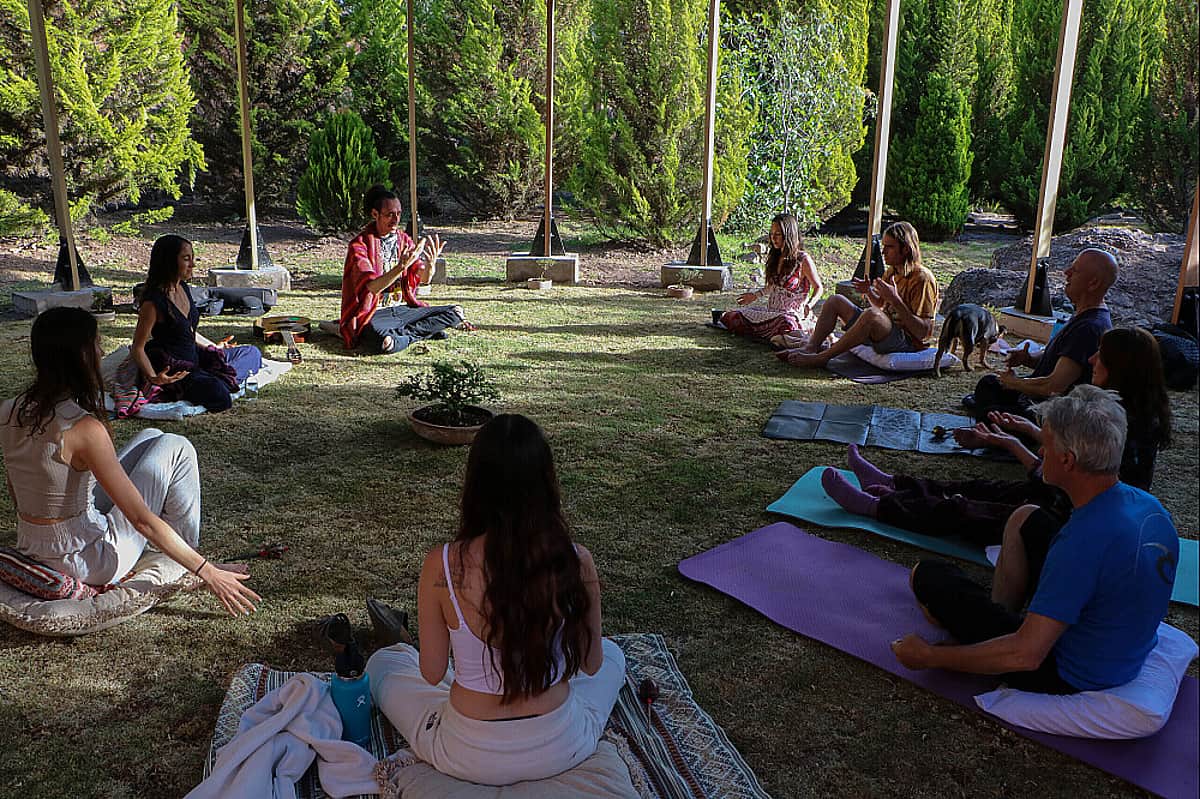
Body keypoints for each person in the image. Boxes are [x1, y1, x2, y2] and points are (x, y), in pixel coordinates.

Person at [364, 415, 625, 786]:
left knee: (384, 664)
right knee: (615, 654)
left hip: (467, 752)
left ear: (476, 484)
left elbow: (433, 673)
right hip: (562, 745)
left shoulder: (441, 564)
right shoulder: (575, 560)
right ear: (545, 482)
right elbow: (593, 663)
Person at [891, 386, 1178, 694]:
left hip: (1069, 673)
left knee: (928, 575)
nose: (1041, 452)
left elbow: (1026, 656)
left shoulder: (1083, 541)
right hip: (1121, 645)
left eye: (1047, 445)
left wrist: (930, 656)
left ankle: (991, 634)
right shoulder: (1149, 507)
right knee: (1025, 516)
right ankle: (999, 618)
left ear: (1067, 461)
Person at [1, 307, 259, 615]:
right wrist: (208, 571)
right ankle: (184, 561)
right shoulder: (83, 429)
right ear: (82, 356)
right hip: (88, 561)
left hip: (34, 544)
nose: (101, 351)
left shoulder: (7, 410)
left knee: (151, 435)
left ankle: (180, 556)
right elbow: (142, 521)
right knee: (176, 446)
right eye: (96, 344)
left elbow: (19, 488)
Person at [821, 327, 1173, 545]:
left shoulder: (1124, 428)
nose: (1092, 358)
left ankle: (876, 506)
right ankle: (894, 483)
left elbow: (1069, 479)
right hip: (1062, 499)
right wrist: (1022, 434)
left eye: (1102, 355)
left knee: (967, 510)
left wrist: (1010, 442)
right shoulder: (1126, 414)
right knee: (981, 489)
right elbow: (1069, 466)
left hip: (1069, 522)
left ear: (1121, 368)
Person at [964, 248, 1117, 420]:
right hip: (1032, 397)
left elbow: (1054, 386)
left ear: (1093, 283)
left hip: (1046, 411)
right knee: (989, 384)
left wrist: (1015, 383)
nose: (1067, 273)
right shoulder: (1083, 317)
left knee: (989, 414)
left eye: (1075, 270)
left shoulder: (1089, 328)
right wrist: (1027, 358)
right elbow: (1059, 364)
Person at [130, 234, 264, 413]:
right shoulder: (153, 302)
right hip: (178, 371)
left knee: (252, 353)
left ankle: (215, 377)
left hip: (198, 359)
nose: (192, 264)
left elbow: (189, 332)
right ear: (168, 261)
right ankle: (215, 381)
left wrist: (214, 348)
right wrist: (154, 378)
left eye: (192, 258)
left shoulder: (183, 288)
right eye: (186, 259)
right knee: (221, 397)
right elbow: (137, 348)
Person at [778, 221, 938, 367]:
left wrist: (895, 300)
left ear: (905, 249)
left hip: (907, 342)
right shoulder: (892, 272)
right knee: (835, 300)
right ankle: (811, 348)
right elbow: (881, 305)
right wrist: (869, 292)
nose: (883, 252)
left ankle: (823, 358)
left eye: (889, 247)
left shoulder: (922, 278)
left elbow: (923, 332)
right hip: (886, 331)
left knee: (872, 315)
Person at [339, 185, 471, 353]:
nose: (395, 220)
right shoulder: (359, 245)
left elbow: (424, 279)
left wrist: (430, 265)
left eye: (399, 214)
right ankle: (419, 332)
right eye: (389, 215)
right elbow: (372, 287)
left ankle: (404, 335)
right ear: (375, 214)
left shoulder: (403, 240)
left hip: (404, 309)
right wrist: (401, 266)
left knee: (456, 312)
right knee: (384, 342)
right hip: (376, 313)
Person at [720, 213, 822, 344]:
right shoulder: (776, 257)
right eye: (771, 234)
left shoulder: (803, 259)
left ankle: (788, 336)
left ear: (789, 234)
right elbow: (773, 286)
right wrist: (754, 296)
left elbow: (818, 287)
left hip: (791, 315)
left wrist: (810, 304)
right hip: (771, 313)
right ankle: (780, 337)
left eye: (778, 234)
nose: (773, 238)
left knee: (787, 324)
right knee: (732, 317)